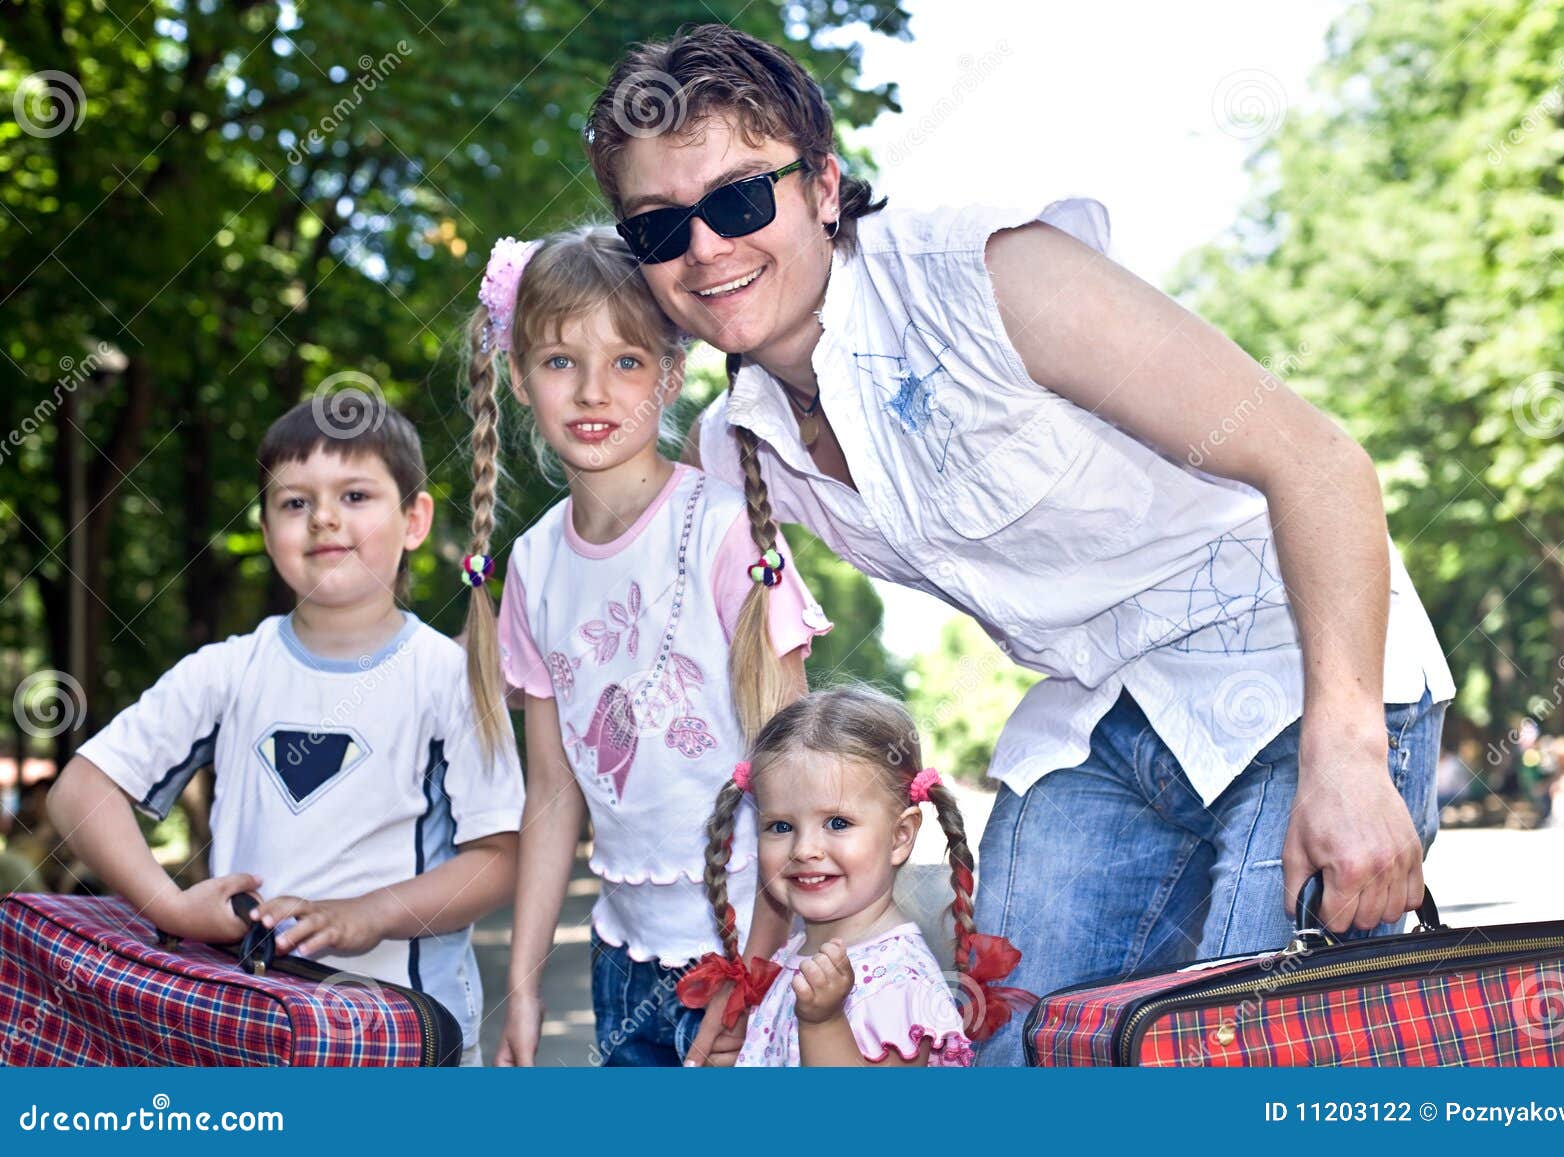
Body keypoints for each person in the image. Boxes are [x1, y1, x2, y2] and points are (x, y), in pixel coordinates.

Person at [584, 24, 1456, 1065]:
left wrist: (1351, 752)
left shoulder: (984, 274)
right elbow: (772, 727)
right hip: (1091, 722)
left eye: (736, 200)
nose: (706, 249)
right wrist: (758, 967)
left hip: (1291, 671)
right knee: (1008, 1055)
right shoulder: (738, 450)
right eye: (659, 228)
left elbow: (1317, 462)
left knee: (1236, 1052)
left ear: (820, 185)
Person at [47, 397, 525, 1065]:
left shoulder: (451, 677)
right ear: (269, 531)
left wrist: (371, 912)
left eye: (355, 494)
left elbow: (500, 859)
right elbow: (78, 790)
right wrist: (172, 905)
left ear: (415, 519)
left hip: (406, 1046)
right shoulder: (227, 670)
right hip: (247, 1037)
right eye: (294, 502)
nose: (324, 517)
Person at [462, 225, 831, 1067]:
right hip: (620, 965)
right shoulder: (532, 566)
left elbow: (799, 785)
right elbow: (553, 797)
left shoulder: (726, 535)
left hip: (757, 953)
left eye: (627, 361)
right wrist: (520, 983)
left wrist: (757, 967)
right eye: (560, 361)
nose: (593, 391)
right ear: (518, 377)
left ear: (669, 377)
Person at [684, 685, 1027, 1066]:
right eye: (781, 826)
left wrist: (823, 1023)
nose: (803, 849)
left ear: (900, 837)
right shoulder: (794, 953)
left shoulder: (899, 982)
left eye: (837, 822)